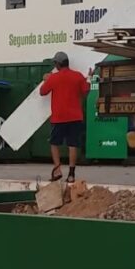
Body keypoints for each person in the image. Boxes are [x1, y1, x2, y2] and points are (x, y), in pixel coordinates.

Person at [39, 51, 89, 182]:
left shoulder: (53, 78)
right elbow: (86, 90)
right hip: (75, 117)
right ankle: (71, 175)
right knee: (72, 145)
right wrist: (88, 78)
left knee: (54, 143)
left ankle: (57, 170)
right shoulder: (78, 76)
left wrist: (46, 80)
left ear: (58, 64)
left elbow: (42, 92)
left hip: (59, 117)